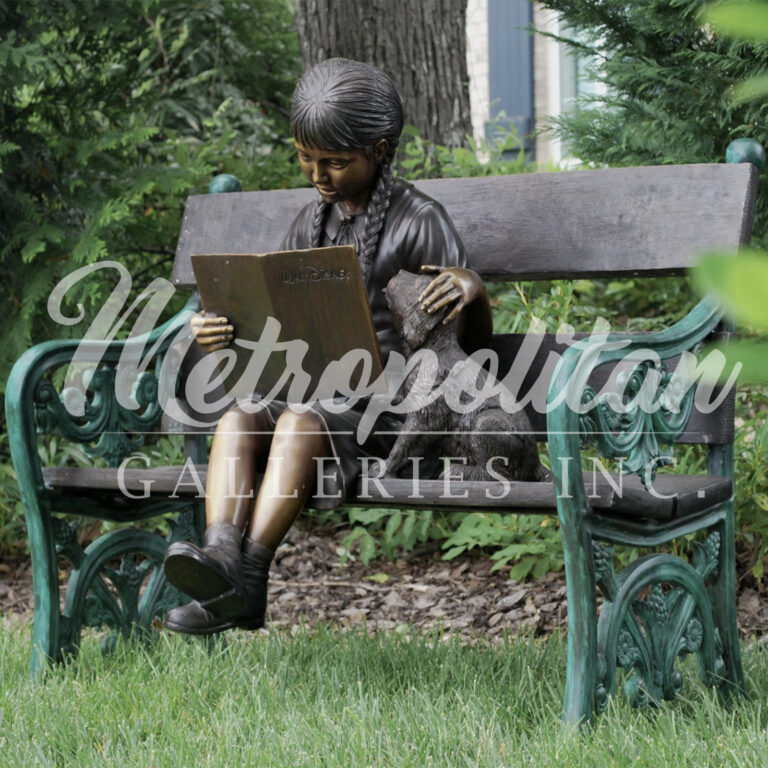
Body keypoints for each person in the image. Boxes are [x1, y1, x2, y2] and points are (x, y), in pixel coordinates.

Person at [163, 58, 492, 634]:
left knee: (297, 420)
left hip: (390, 410)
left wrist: (471, 291)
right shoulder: (308, 223)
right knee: (239, 416)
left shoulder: (420, 221)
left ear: (381, 149)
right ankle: (220, 559)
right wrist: (222, 330)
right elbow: (274, 327)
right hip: (310, 391)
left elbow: (468, 349)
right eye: (306, 159)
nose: (319, 175)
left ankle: (250, 579)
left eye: (336, 162)